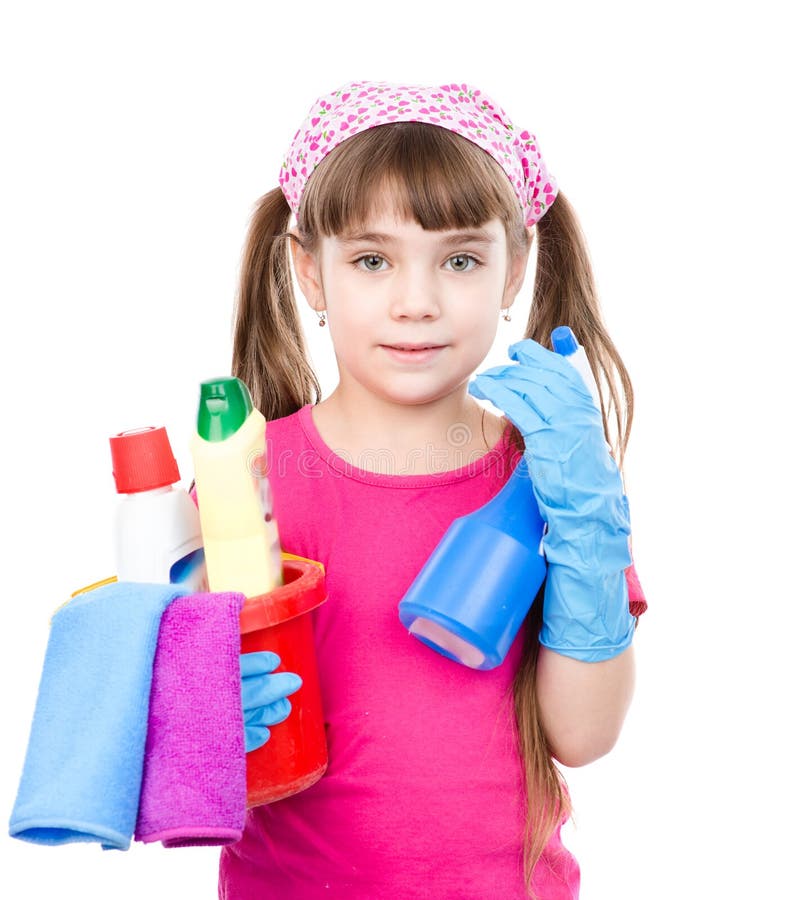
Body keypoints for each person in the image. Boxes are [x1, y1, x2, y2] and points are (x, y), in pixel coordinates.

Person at [225, 80, 647, 900]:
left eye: (459, 260)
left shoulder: (549, 479)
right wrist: (199, 724)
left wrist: (587, 525)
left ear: (515, 266)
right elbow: (170, 775)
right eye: (372, 260)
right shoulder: (247, 485)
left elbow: (584, 733)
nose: (415, 303)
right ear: (309, 272)